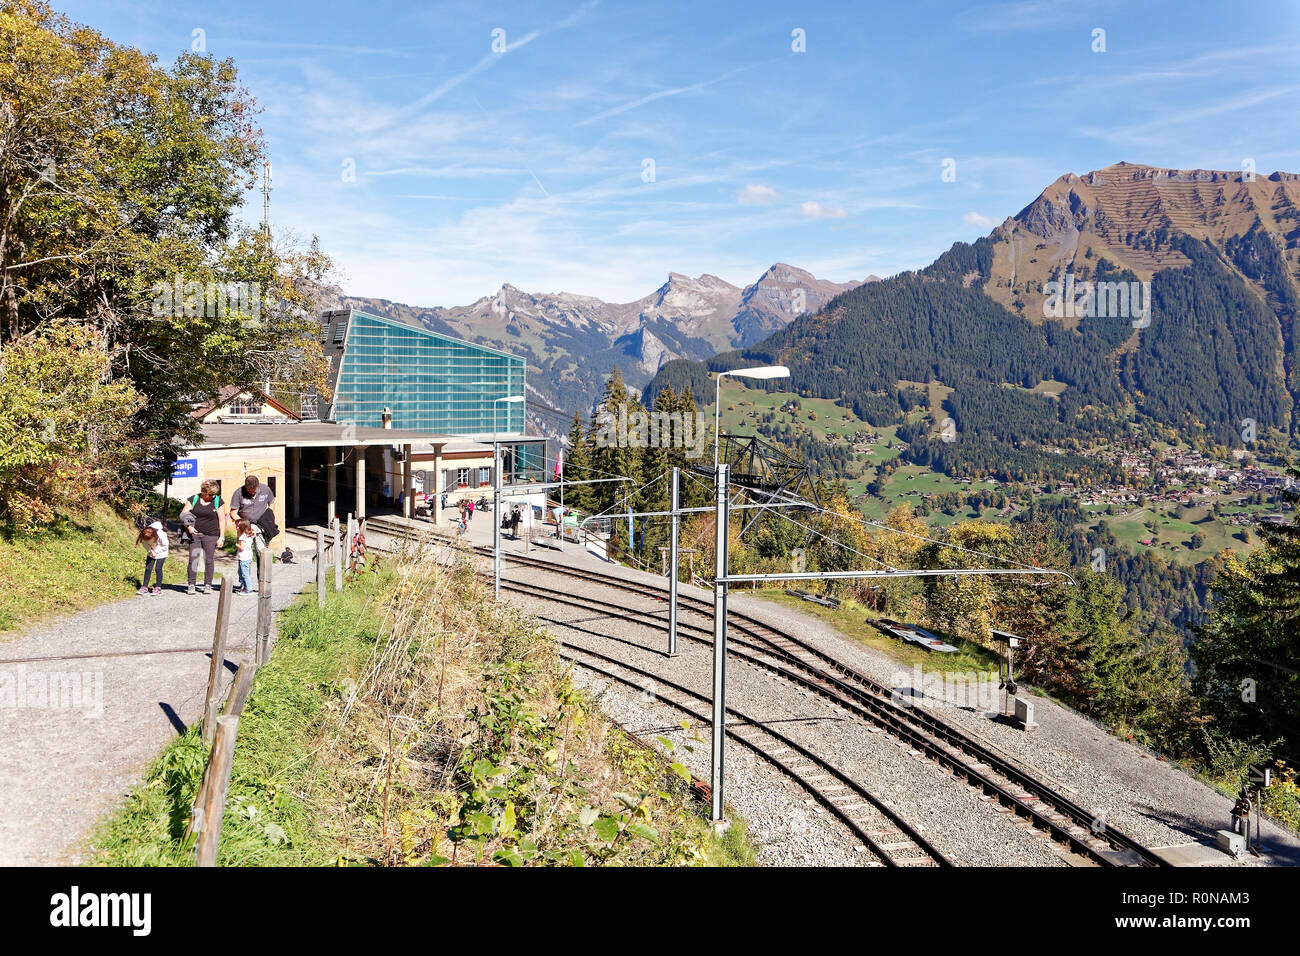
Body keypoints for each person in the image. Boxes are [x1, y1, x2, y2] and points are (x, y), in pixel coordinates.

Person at [179, 480, 227, 595]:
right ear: (204, 492)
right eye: (210, 494)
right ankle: (191, 585)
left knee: (209, 560)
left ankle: (208, 585)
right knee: (193, 559)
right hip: (195, 535)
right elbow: (183, 514)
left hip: (211, 535)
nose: (212, 496)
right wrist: (189, 526)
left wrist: (221, 537)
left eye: (214, 494)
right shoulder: (193, 499)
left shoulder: (218, 501)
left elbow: (222, 520)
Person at [228, 474, 276, 556]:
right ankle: (244, 569)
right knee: (243, 554)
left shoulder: (266, 489)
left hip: (261, 525)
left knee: (262, 552)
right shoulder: (238, 493)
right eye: (249, 491)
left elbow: (272, 503)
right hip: (245, 526)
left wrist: (268, 516)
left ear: (258, 486)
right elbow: (233, 513)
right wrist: (245, 525)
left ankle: (261, 568)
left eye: (254, 491)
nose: (252, 493)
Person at [136, 520, 168, 595]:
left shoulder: (161, 534)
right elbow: (145, 544)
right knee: (148, 568)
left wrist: (156, 552)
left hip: (162, 552)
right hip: (151, 551)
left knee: (158, 568)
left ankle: (158, 587)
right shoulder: (144, 534)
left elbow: (165, 546)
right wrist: (150, 551)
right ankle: (144, 587)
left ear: (154, 536)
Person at [234, 519, 257, 594]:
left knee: (245, 574)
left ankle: (248, 589)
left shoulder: (242, 537)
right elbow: (254, 534)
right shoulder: (249, 535)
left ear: (242, 527)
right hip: (248, 556)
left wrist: (236, 545)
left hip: (244, 558)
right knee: (244, 573)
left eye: (238, 526)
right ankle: (245, 587)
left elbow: (242, 548)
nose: (236, 528)